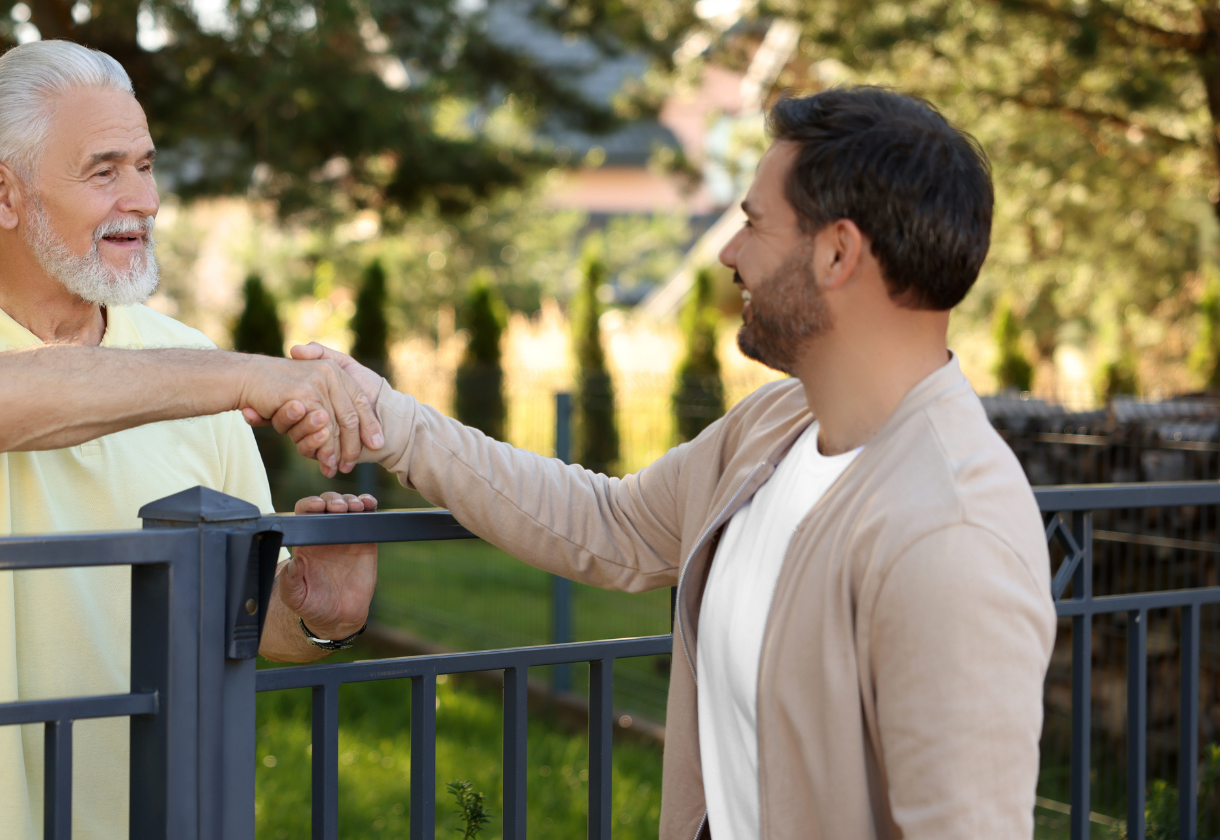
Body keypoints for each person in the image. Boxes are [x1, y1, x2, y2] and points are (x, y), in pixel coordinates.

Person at [278, 88, 1056, 839]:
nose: (729, 252)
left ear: (837, 252)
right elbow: (610, 524)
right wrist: (392, 422)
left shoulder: (951, 535)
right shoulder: (775, 427)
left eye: (754, 223)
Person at [0, 41, 384, 839]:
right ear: (2, 192)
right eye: (104, 171)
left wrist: (316, 615)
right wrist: (238, 378)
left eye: (145, 165)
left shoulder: (200, 367)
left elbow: (244, 623)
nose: (144, 199)